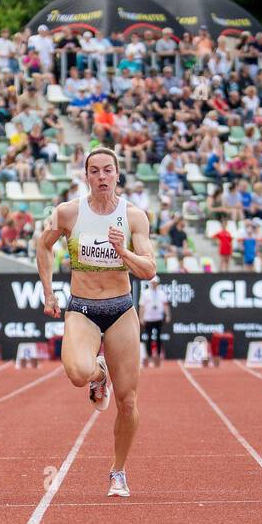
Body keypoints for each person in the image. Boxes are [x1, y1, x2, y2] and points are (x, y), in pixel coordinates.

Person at [36, 147, 156, 497]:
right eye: (95, 171)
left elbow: (149, 270)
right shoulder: (68, 212)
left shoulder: (134, 217)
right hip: (82, 308)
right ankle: (98, 373)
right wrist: (48, 293)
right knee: (76, 373)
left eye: (108, 170)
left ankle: (118, 471)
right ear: (86, 176)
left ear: (118, 174)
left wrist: (124, 253)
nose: (102, 177)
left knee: (128, 401)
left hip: (121, 309)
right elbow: (43, 247)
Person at [140, 274, 170, 359]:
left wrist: (167, 315)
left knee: (159, 337)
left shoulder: (162, 293)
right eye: (152, 283)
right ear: (150, 283)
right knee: (149, 337)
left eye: (155, 283)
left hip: (158, 318)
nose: (154, 284)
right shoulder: (145, 293)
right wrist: (141, 317)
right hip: (148, 318)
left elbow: (165, 305)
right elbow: (142, 306)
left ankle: (158, 354)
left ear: (158, 283)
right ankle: (149, 355)